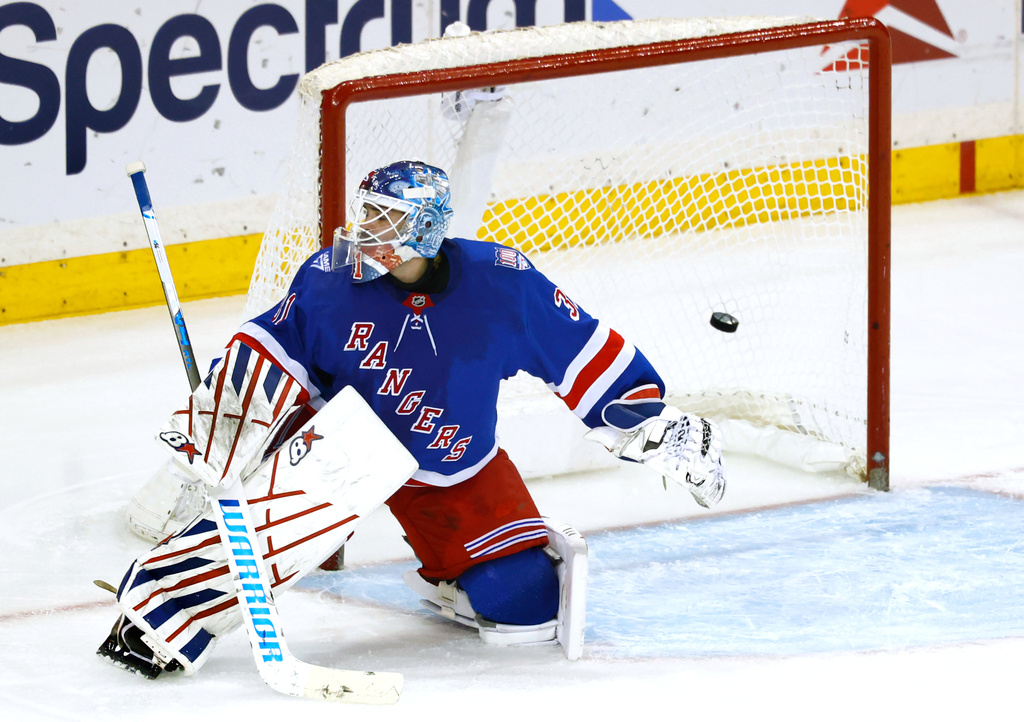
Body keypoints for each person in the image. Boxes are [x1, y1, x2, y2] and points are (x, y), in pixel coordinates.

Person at [97, 160, 726, 679]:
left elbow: (583, 355)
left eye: (383, 218)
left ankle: (456, 578)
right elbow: (272, 350)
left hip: (451, 466)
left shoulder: (501, 284)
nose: (364, 228)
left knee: (526, 609)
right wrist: (228, 416)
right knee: (255, 534)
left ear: (425, 228)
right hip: (342, 449)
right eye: (365, 212)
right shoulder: (329, 280)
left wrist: (657, 426)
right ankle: (157, 611)